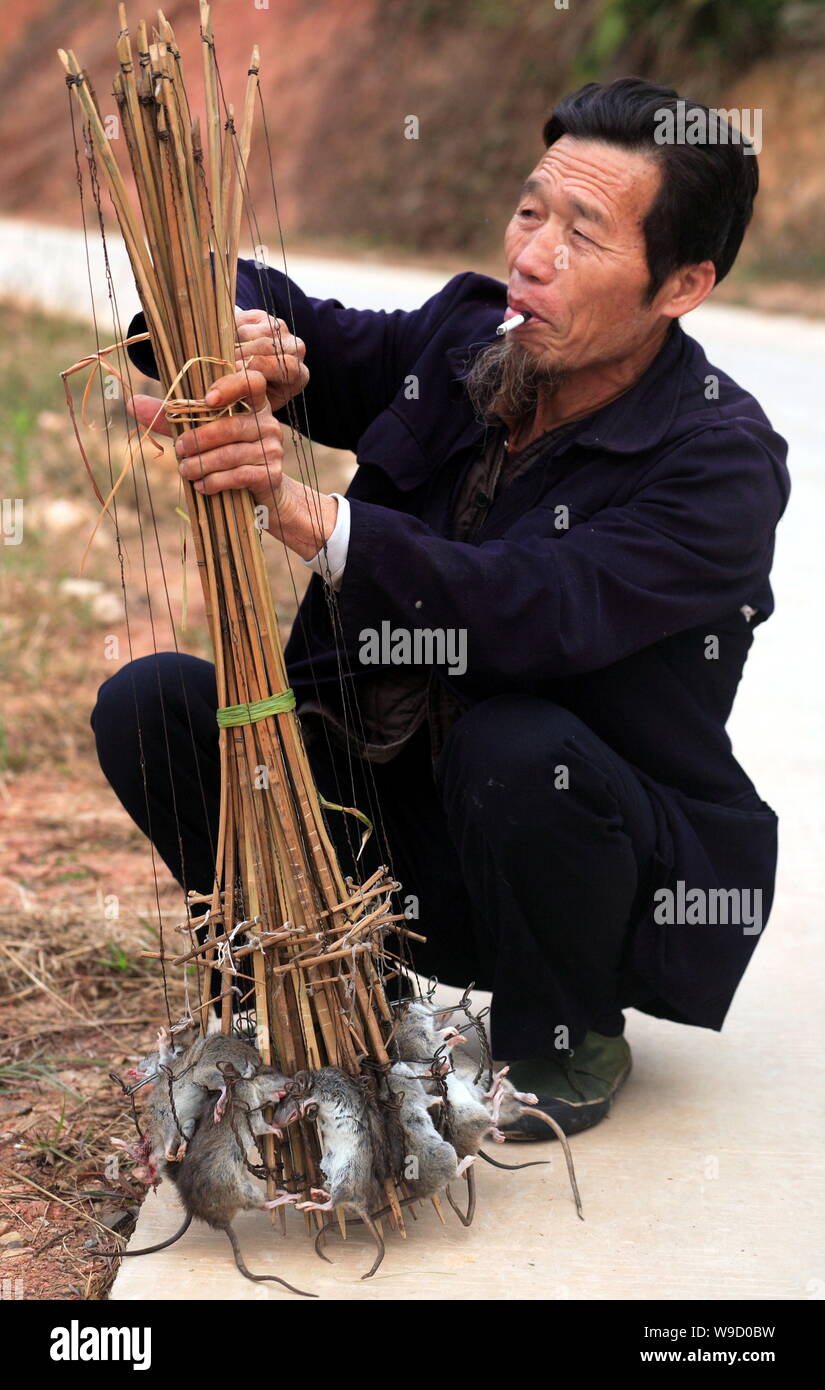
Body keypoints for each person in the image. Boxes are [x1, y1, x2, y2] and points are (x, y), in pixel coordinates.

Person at [92, 78, 790, 1140]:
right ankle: (327, 981)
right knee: (153, 705)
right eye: (530, 212)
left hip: (553, 858)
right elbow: (315, 329)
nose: (534, 254)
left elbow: (534, 606)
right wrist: (235, 332)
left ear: (681, 283)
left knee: (519, 745)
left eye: (583, 234)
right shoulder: (469, 338)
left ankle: (564, 1033)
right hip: (375, 830)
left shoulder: (719, 461)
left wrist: (300, 510)